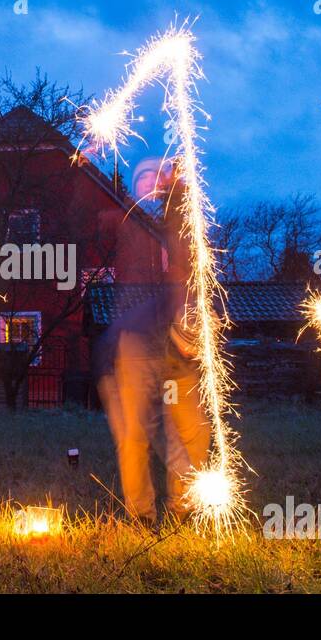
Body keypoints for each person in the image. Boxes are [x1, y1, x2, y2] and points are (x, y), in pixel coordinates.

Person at [96, 159, 212, 526]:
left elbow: (188, 248)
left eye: (156, 175)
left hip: (179, 349)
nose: (151, 181)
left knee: (189, 432)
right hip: (136, 349)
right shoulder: (126, 223)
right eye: (141, 176)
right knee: (135, 432)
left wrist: (179, 187)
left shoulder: (179, 225)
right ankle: (142, 515)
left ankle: (183, 508)